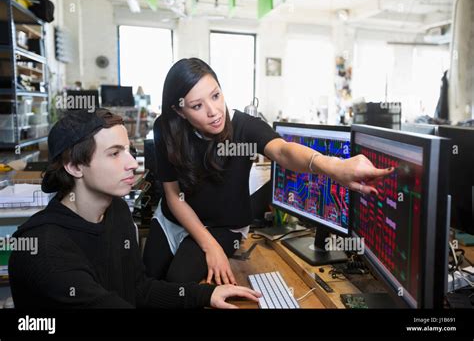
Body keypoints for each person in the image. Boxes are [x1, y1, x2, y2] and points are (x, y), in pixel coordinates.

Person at [143, 58, 393, 285]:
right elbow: (174, 195)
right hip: (174, 218)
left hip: (224, 227)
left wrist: (333, 166)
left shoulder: (244, 127)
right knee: (146, 278)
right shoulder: (166, 129)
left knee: (177, 280)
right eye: (197, 105)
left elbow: (283, 151)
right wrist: (209, 246)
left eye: (216, 95)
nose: (214, 111)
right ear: (179, 110)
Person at [8, 108, 260, 309]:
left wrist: (206, 295)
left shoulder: (115, 211)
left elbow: (138, 289)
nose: (132, 164)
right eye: (115, 154)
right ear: (74, 166)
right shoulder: (43, 250)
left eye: (129, 151)